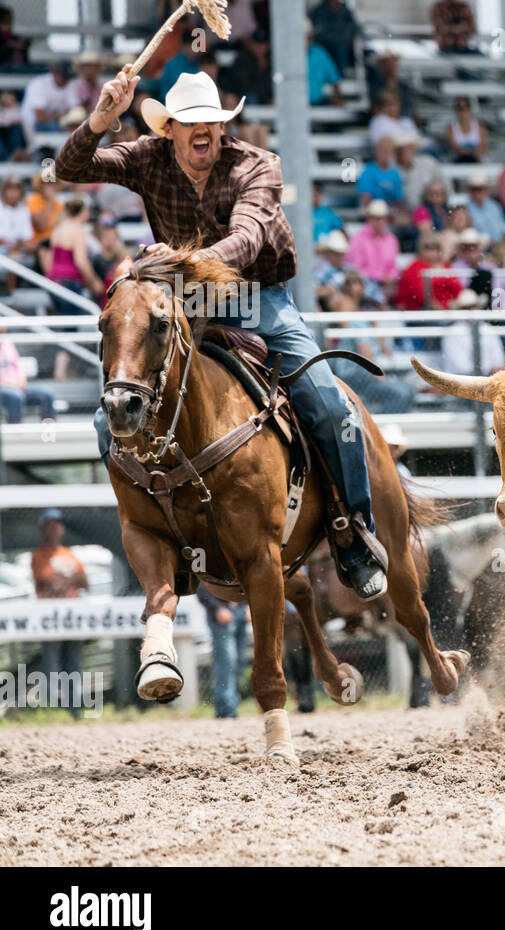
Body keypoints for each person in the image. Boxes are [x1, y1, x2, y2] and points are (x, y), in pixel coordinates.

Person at [59, 68, 392, 598]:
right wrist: (101, 118)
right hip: (186, 303)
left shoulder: (257, 165)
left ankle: (354, 531)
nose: (203, 130)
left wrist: (181, 262)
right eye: (191, 121)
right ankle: (160, 523)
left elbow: (247, 237)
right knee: (109, 419)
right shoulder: (147, 156)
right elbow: (67, 167)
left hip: (256, 297)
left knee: (330, 406)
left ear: (221, 126)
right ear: (169, 129)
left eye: (211, 121)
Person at [31, 509, 88, 715]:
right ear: (43, 529)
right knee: (51, 663)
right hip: (50, 619)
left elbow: (84, 581)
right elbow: (47, 580)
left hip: (72, 617)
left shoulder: (69, 553)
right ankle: (52, 709)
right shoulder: (40, 554)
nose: (55, 528)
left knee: (73, 663)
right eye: (50, 524)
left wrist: (65, 581)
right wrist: (70, 580)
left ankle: (75, 710)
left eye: (58, 524)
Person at [197, 584, 248, 718]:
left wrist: (248, 605)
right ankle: (225, 710)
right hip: (222, 612)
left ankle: (231, 707)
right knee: (226, 662)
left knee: (238, 663)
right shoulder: (211, 563)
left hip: (240, 612)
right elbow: (202, 590)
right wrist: (217, 608)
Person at [0, 333, 54, 422]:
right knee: (16, 396)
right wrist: (10, 384)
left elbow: (17, 367)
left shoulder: (7, 344)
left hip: (17, 385)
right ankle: (16, 430)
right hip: (4, 387)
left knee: (46, 395)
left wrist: (22, 379)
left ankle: (48, 431)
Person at [309, 0, 361, 72]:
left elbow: (354, 26)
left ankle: (339, 74)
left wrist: (346, 37)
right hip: (325, 43)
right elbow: (320, 30)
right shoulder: (319, 10)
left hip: (343, 42)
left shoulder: (344, 9)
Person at [357, 135, 405, 207]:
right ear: (377, 153)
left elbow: (399, 200)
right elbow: (365, 200)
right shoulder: (368, 171)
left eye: (390, 152)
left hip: (390, 211)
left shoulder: (395, 173)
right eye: (384, 152)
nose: (387, 156)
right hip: (372, 211)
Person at [464, 172, 505, 242]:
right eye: (475, 189)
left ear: (486, 190)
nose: (478, 192)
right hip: (480, 247)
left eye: (480, 189)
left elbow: (504, 230)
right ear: (470, 191)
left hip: (499, 246)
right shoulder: (465, 209)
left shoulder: (495, 206)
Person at [446, 96, 488, 163]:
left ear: (469, 109)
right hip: (459, 161)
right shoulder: (451, 128)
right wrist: (471, 152)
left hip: (476, 160)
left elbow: (484, 148)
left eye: (465, 108)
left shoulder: (479, 126)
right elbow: (454, 148)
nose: (462, 111)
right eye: (459, 108)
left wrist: (471, 153)